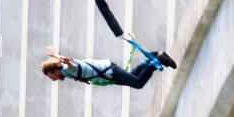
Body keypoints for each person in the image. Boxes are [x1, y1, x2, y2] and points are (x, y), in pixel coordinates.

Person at [41, 46, 175, 89]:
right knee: (134, 76)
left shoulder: (66, 69)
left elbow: (69, 63)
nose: (53, 80)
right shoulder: (66, 71)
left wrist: (59, 57)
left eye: (51, 76)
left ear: (55, 71)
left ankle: (157, 60)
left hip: (110, 71)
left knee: (138, 83)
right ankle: (150, 60)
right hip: (109, 73)